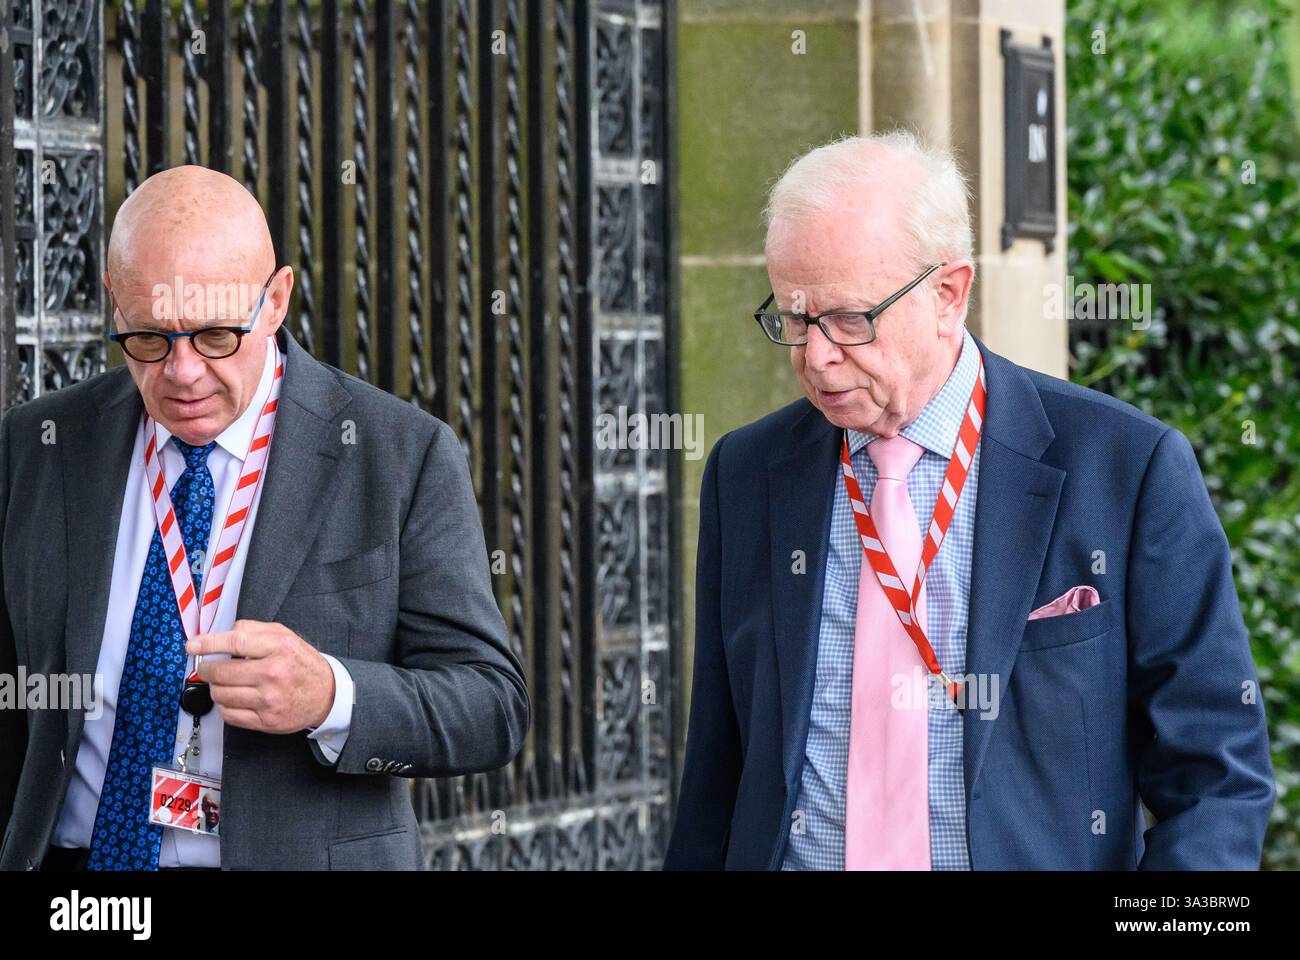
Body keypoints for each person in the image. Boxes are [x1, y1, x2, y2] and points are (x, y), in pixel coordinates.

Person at [664, 132, 1275, 871]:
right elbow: (717, 771)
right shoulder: (748, 472)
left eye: (850, 320)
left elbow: (1216, 776)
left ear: (948, 293)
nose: (816, 356)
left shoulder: (1125, 468)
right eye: (793, 318)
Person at [0, 166, 529, 871]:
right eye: (150, 338)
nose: (183, 372)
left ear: (275, 300)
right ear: (115, 305)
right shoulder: (39, 444)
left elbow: (491, 707)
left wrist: (331, 696)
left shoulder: (400, 454)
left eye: (217, 335)